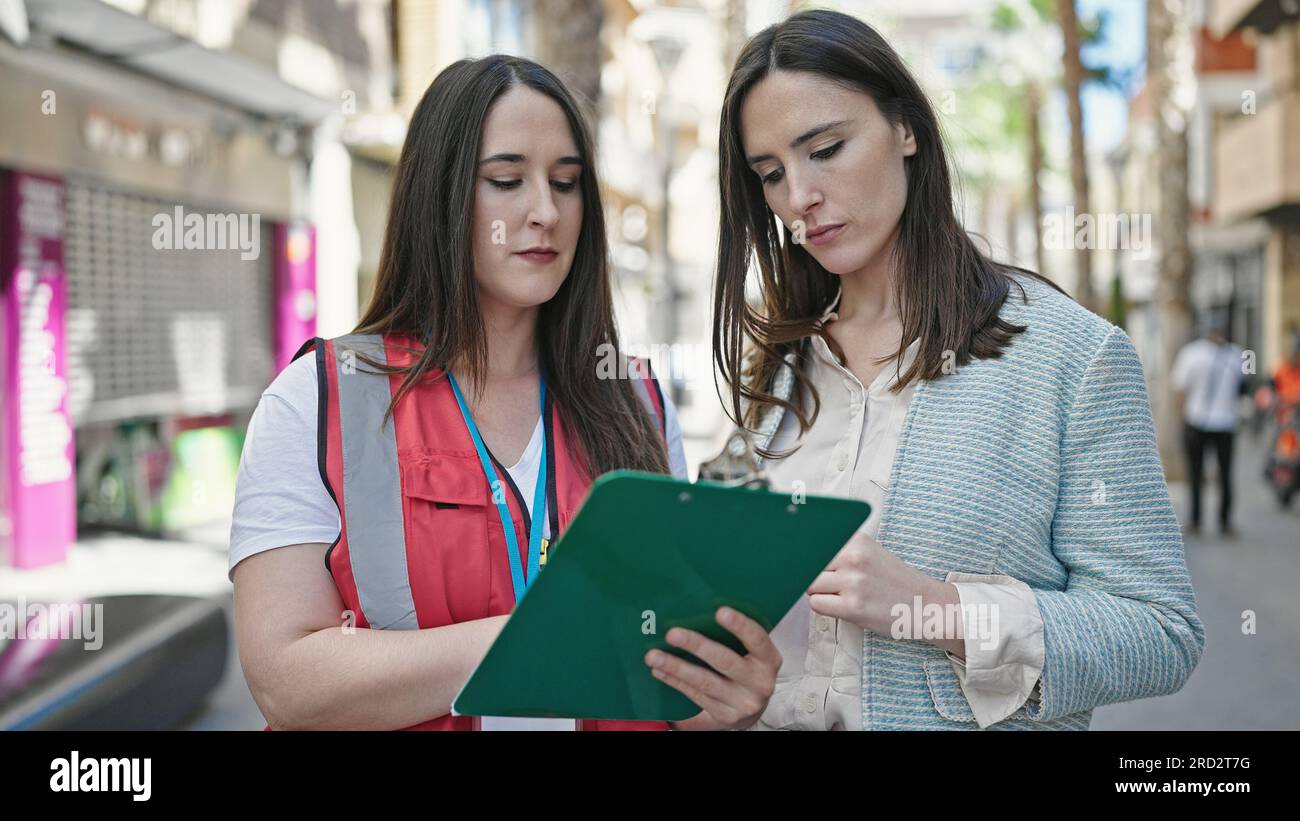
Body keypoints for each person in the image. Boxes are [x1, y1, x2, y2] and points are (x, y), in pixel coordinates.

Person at [229, 55, 780, 731]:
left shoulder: (636, 397)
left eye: (567, 183)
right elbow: (287, 683)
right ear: (444, 194)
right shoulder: (317, 399)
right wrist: (535, 638)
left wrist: (725, 701)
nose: (545, 211)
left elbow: (666, 682)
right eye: (507, 180)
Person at [704, 9, 1204, 729]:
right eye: (772, 173)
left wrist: (932, 607)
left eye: (827, 148)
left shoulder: (1071, 355)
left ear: (906, 128)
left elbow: (1162, 632)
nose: (798, 198)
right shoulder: (779, 363)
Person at [1171, 322, 1245, 536]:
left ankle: (1196, 522)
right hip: (1224, 423)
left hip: (1198, 421)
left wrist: (1181, 418)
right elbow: (1247, 380)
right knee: (1224, 473)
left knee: (1196, 473)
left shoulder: (1191, 353)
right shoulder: (1238, 354)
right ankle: (1224, 522)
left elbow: (1180, 390)